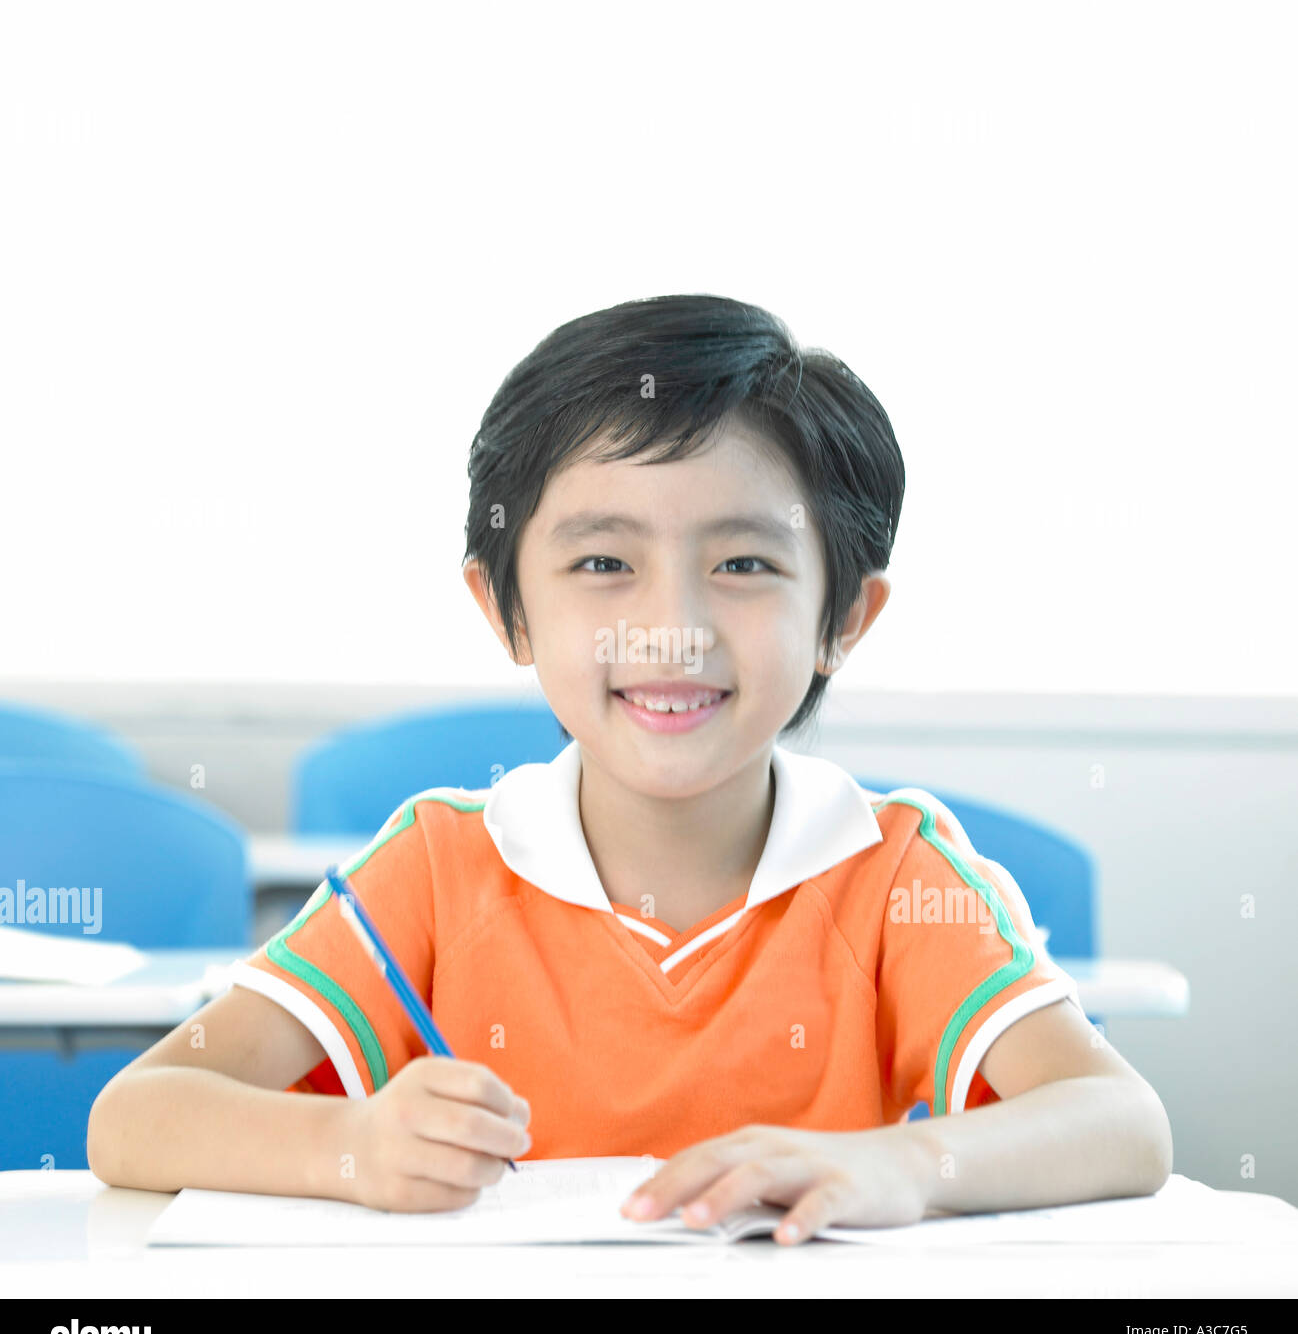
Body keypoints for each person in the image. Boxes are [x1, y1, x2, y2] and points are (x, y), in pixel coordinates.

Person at [88, 294, 1172, 1243]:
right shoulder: (436, 866)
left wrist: (900, 1165)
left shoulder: (896, 875)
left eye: (742, 563)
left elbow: (1120, 1122)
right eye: (602, 563)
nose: (671, 629)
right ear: (504, 607)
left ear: (844, 615)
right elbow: (137, 1115)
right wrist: (352, 1142)